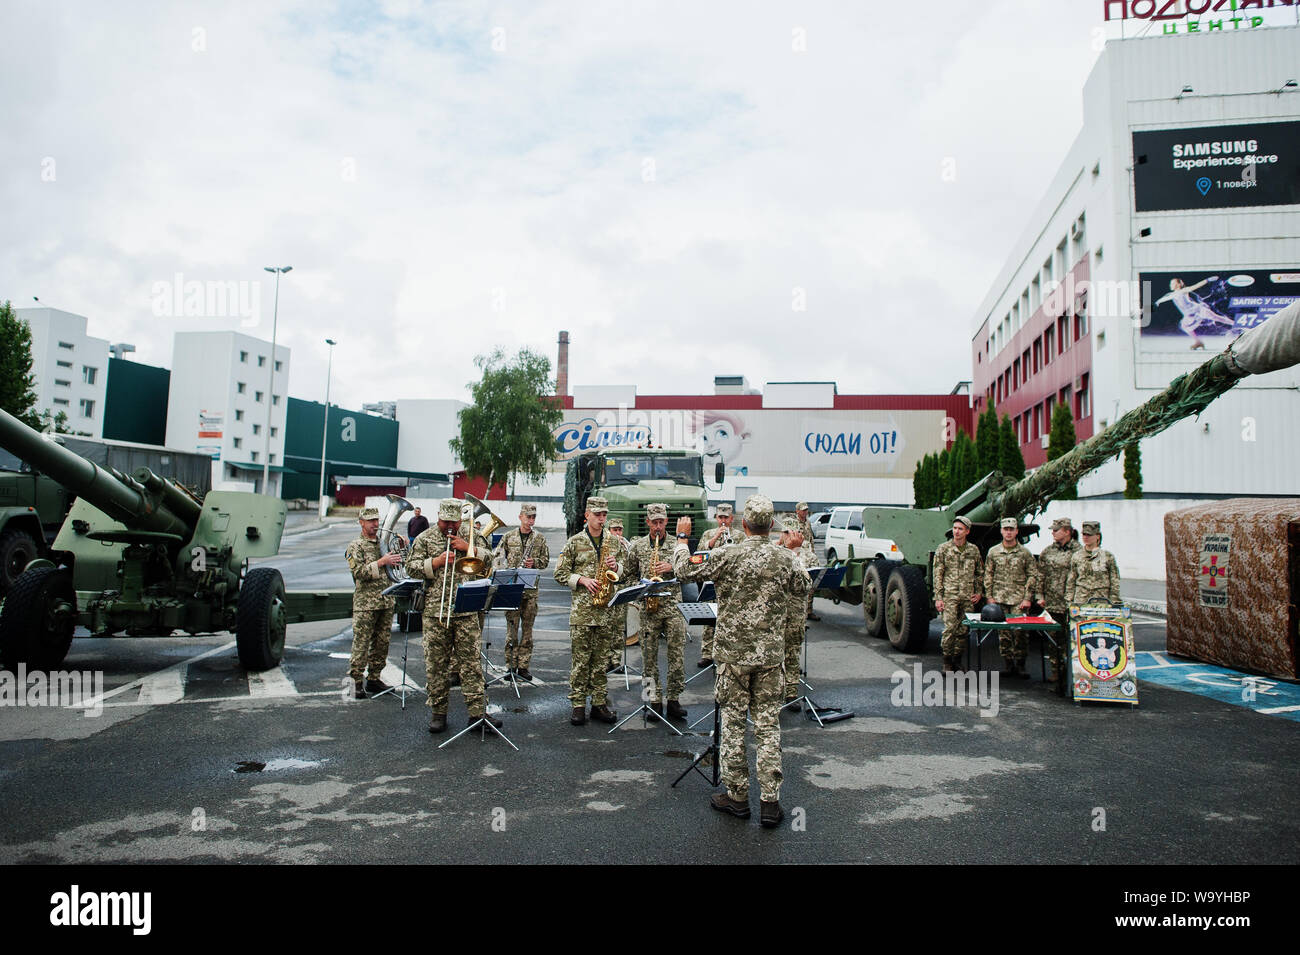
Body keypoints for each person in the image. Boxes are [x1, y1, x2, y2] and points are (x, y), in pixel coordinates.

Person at [672, 494, 808, 829]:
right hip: (770, 659)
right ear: (770, 525)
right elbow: (803, 585)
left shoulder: (726, 555)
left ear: (743, 524)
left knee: (732, 725)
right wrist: (793, 551)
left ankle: (736, 797)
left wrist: (680, 539)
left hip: (733, 657)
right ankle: (770, 802)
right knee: (767, 726)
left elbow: (681, 570)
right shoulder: (784, 558)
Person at [405, 499, 499, 734]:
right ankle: (438, 713)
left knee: (471, 664)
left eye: (454, 522)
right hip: (435, 612)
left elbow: (490, 558)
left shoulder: (470, 533)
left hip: (465, 610)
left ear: (460, 518)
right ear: (438, 516)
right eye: (445, 521)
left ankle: (477, 714)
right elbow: (411, 567)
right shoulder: (426, 538)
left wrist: (470, 547)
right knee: (436, 665)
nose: (449, 526)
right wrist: (434, 562)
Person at [555, 496, 621, 726]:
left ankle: (599, 704)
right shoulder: (574, 542)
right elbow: (559, 574)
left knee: (601, 661)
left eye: (604, 515)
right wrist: (581, 579)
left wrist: (617, 567)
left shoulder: (613, 542)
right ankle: (578, 705)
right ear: (587, 515)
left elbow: (622, 572)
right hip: (582, 613)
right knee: (581, 661)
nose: (602, 519)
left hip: (605, 612)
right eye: (597, 515)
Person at [627, 503, 688, 721]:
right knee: (648, 658)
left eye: (662, 522)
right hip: (648, 607)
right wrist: (641, 587)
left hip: (672, 607)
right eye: (655, 522)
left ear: (667, 522)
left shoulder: (678, 545)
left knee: (677, 656)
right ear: (648, 522)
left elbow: (689, 573)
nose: (658, 526)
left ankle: (673, 700)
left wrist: (673, 568)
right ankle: (652, 700)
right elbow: (628, 576)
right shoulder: (638, 546)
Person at [344, 506, 402, 699]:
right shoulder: (356, 546)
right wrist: (381, 562)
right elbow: (358, 573)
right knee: (361, 643)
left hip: (386, 601)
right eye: (370, 521)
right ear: (361, 522)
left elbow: (397, 565)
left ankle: (374, 678)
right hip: (366, 604)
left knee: (382, 643)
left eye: (377, 520)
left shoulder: (383, 543)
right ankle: (355, 682)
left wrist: (399, 551)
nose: (375, 525)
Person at [492, 503, 550, 682]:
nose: (530, 520)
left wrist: (535, 563)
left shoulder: (539, 538)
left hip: (530, 591)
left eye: (533, 517)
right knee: (511, 630)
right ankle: (510, 666)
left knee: (527, 631)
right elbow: (497, 558)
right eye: (528, 517)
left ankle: (523, 666)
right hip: (512, 589)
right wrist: (507, 568)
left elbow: (546, 561)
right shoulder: (509, 537)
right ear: (520, 517)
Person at [984, 517, 1040, 679]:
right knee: (1004, 635)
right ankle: (1008, 664)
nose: (1008, 532)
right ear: (1001, 531)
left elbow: (1032, 575)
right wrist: (990, 597)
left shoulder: (1024, 553)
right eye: (1006, 529)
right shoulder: (993, 552)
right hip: (999, 599)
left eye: (1011, 529)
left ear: (1016, 531)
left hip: (1019, 600)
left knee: (1020, 633)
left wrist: (1027, 598)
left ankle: (1021, 664)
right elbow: (988, 574)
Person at [933, 516, 984, 672]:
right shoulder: (944, 549)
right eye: (955, 528)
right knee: (949, 629)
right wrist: (939, 597)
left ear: (967, 531)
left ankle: (957, 660)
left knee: (963, 630)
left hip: (967, 597)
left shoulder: (973, 550)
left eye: (960, 529)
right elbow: (938, 574)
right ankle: (947, 661)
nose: (956, 531)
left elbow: (979, 572)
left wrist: (978, 592)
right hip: (950, 596)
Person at [1037, 517, 1081, 683]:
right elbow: (1040, 574)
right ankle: (1056, 671)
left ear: (1067, 531)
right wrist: (1039, 596)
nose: (1053, 533)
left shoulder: (1078, 551)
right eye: (1053, 530)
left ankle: (1072, 673)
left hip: (1071, 604)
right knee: (1053, 640)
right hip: (1052, 603)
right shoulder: (1048, 551)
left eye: (1057, 530)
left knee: (1071, 640)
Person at [778, 518, 814, 710]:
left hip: (796, 611)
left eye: (790, 533)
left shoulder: (807, 556)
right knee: (775, 654)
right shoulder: (776, 553)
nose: (786, 537)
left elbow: (810, 584)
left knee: (792, 653)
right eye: (785, 533)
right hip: (776, 613)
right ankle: (777, 691)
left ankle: (791, 692)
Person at [697, 502, 737, 667]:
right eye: (720, 517)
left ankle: (728, 653)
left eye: (726, 518)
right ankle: (707, 654)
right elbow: (699, 554)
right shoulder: (708, 534)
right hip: (711, 583)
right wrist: (714, 539)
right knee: (708, 620)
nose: (723, 521)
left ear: (731, 519)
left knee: (730, 620)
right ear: (716, 518)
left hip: (730, 585)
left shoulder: (739, 535)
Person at [1066, 521, 1122, 608]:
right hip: (1081, 600)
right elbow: (1071, 580)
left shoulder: (1107, 556)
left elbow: (1114, 580)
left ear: (1097, 536)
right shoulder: (1076, 556)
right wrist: (1069, 601)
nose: (1086, 537)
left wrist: (1114, 601)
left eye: (1089, 535)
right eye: (1084, 534)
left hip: (1102, 600)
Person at [606, 518, 633, 671]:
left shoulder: (626, 544)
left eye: (619, 530)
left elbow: (631, 564)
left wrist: (626, 546)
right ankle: (604, 660)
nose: (617, 533)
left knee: (619, 627)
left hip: (621, 588)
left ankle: (616, 660)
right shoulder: (605, 544)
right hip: (608, 588)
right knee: (606, 627)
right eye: (614, 530)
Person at [795, 503, 819, 620]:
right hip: (800, 556)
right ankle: (800, 611)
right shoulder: (793, 523)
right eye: (803, 510)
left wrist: (814, 554)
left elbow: (811, 539)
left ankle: (809, 610)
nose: (805, 512)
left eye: (806, 510)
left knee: (811, 583)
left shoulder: (808, 523)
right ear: (797, 511)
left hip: (809, 556)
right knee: (800, 584)